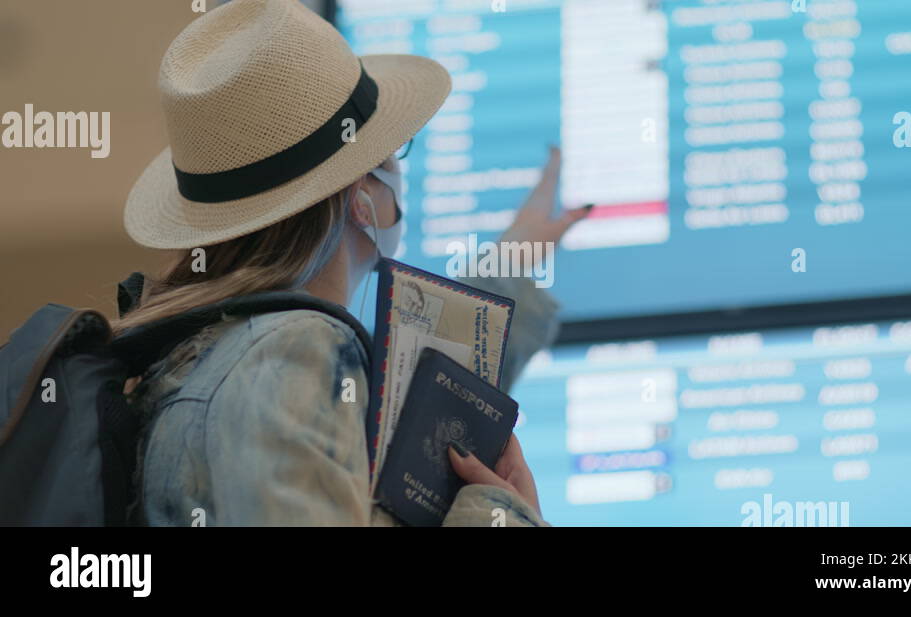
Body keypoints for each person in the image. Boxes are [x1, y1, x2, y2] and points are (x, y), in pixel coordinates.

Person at [117, 0, 589, 526]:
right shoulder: (294, 351)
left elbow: (409, 418)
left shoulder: (216, 349)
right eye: (394, 153)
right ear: (361, 196)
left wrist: (512, 260)